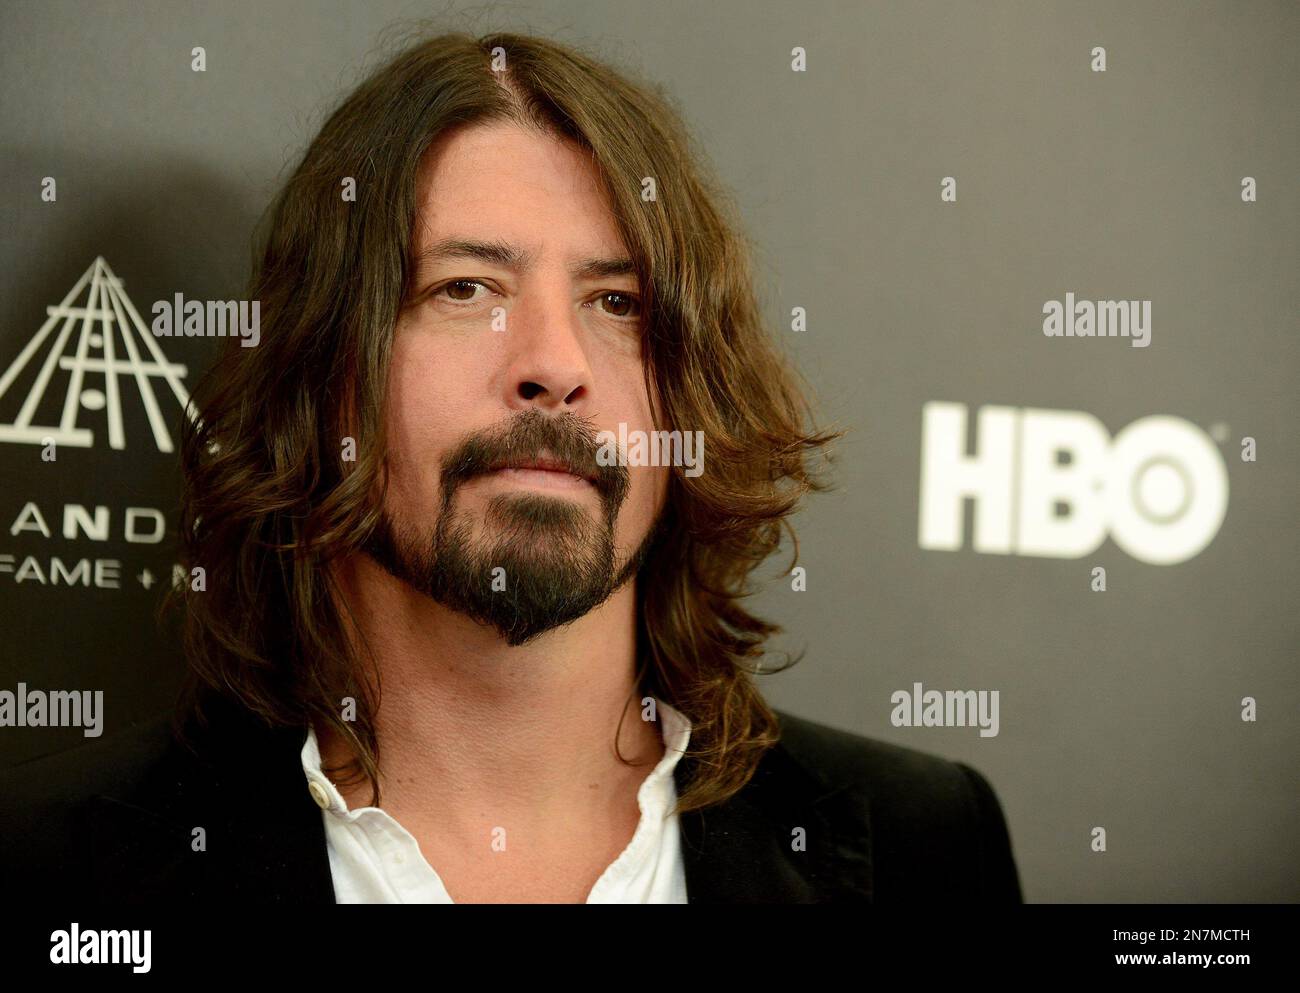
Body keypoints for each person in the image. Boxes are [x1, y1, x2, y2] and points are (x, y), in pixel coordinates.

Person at [0, 30, 1021, 904]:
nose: (553, 365)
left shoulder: (921, 849)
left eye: (618, 304)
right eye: (464, 289)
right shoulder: (61, 867)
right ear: (325, 373)